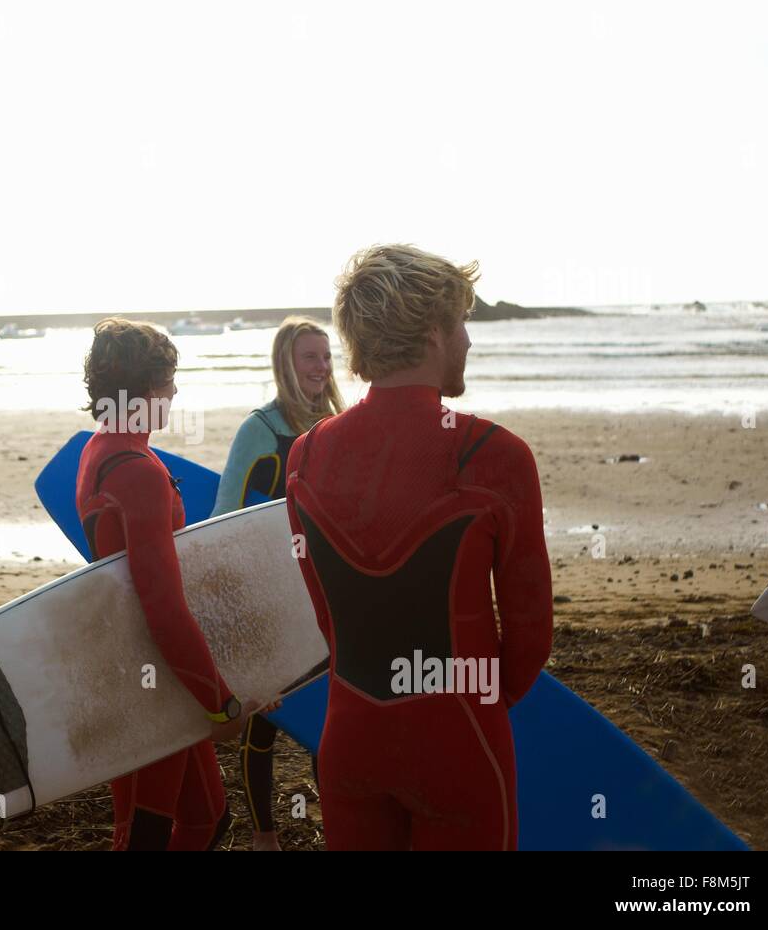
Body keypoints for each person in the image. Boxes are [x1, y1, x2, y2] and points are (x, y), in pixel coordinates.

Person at [285, 245, 553, 850]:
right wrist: (474, 706)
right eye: (461, 323)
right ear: (433, 332)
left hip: (349, 742)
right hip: (458, 744)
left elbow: (327, 616)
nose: (467, 341)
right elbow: (531, 637)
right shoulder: (494, 456)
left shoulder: (306, 455)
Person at [76, 317, 261, 850]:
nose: (175, 392)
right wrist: (219, 703)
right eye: (169, 382)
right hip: (151, 677)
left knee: (208, 816)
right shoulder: (139, 471)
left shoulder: (100, 450)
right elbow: (161, 603)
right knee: (144, 836)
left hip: (139, 662)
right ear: (146, 391)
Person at [210, 316, 344, 850]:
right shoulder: (260, 430)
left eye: (327, 356)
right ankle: (265, 837)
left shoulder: (338, 424)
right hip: (268, 601)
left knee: (327, 720)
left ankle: (337, 826)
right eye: (310, 357)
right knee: (265, 721)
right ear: (285, 364)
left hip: (323, 599)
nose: (321, 367)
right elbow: (222, 518)